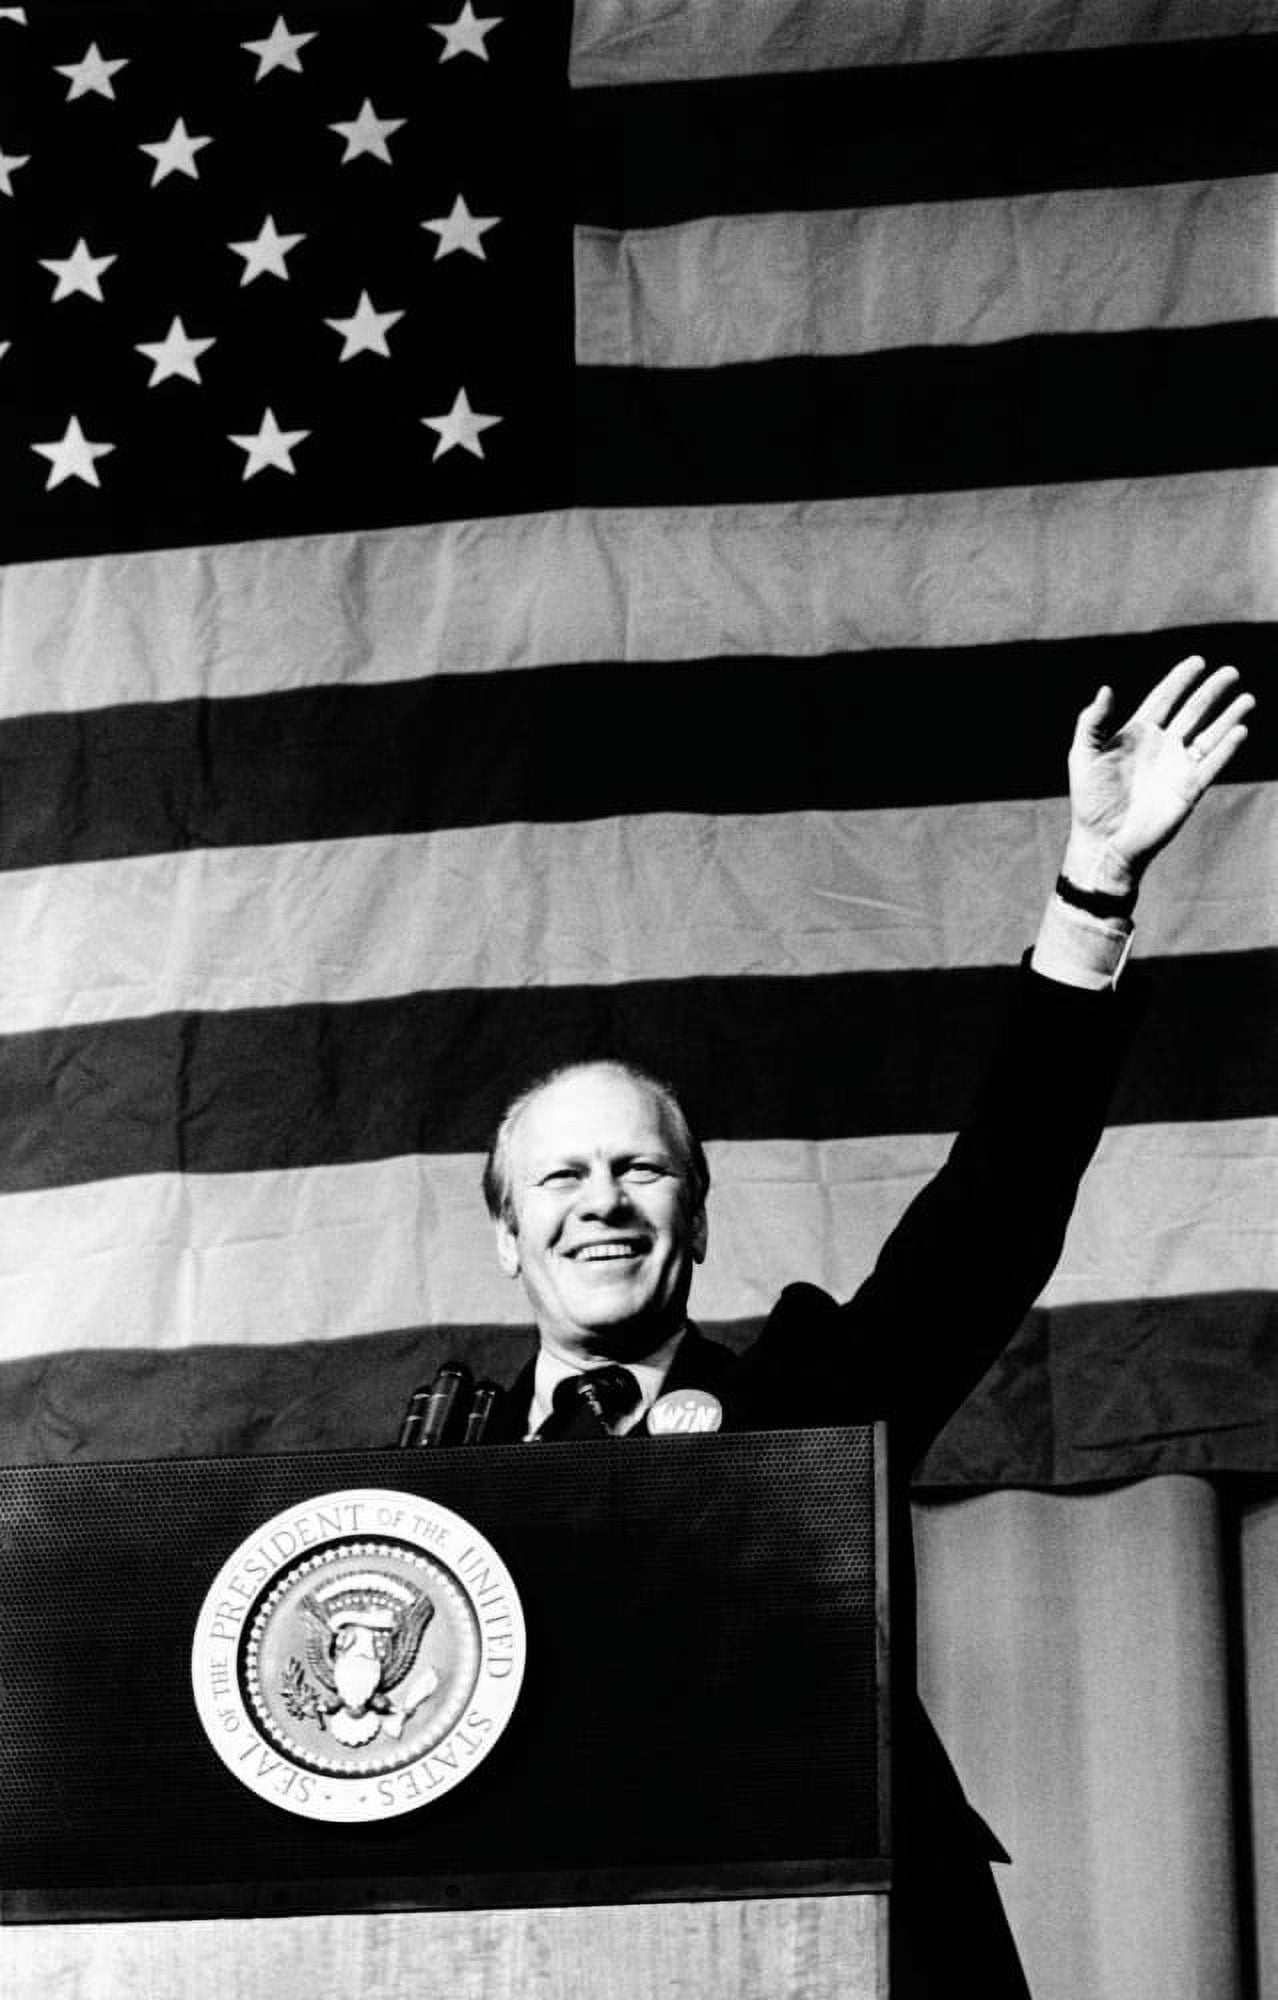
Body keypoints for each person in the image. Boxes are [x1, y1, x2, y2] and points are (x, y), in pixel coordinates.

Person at [477, 657, 1253, 1995]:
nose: (601, 1202)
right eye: (559, 1177)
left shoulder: (813, 1405)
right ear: (507, 1236)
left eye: (640, 1169)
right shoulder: (429, 1484)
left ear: (696, 1222)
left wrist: (1095, 883)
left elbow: (992, 1211)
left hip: (842, 1952)